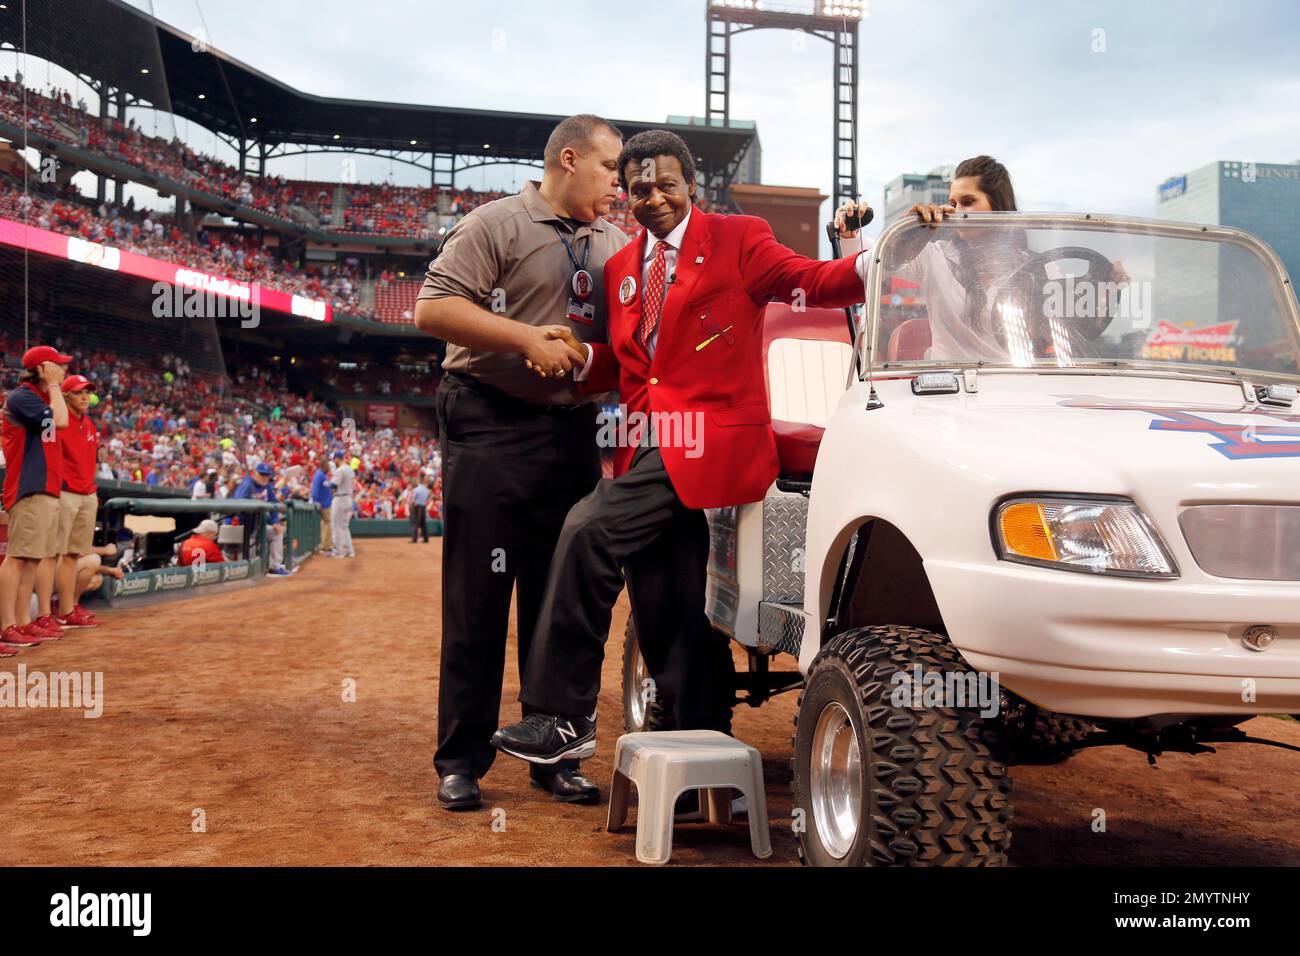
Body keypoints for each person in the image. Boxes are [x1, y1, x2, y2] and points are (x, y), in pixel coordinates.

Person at [491, 129, 870, 766]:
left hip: (713, 441)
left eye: (667, 184)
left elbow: (812, 279)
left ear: (691, 186)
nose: (653, 198)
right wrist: (584, 357)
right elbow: (639, 366)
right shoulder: (619, 269)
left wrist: (882, 257)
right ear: (627, 196)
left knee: (586, 531)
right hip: (647, 443)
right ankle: (708, 744)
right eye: (639, 188)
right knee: (670, 605)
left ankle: (561, 716)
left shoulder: (739, 238)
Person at [413, 114, 628, 811]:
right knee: (478, 596)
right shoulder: (495, 224)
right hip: (490, 421)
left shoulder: (617, 242)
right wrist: (522, 339)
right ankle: (462, 760)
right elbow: (433, 309)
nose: (618, 187)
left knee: (556, 600)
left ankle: (554, 752)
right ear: (569, 160)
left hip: (574, 432)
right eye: (608, 170)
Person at [0, 346, 71, 650]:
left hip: (45, 487)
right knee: (17, 558)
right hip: (28, 486)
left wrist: (53, 389)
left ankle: (22, 621)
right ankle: (7, 625)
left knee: (30, 559)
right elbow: (62, 421)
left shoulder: (39, 399)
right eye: (58, 365)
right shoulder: (23, 396)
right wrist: (54, 385)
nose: (64, 370)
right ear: (42, 368)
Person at [54, 374, 102, 628]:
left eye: (87, 392)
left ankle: (68, 608)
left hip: (86, 493)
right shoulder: (59, 422)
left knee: (74, 553)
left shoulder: (90, 424)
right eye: (78, 392)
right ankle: (54, 609)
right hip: (66, 492)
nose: (85, 397)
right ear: (65, 396)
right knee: (58, 553)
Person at [233, 462, 287, 574]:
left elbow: (274, 504)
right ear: (255, 473)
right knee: (246, 565)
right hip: (241, 526)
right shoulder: (247, 484)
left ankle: (275, 566)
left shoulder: (266, 486)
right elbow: (236, 505)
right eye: (262, 474)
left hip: (255, 527)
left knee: (276, 532)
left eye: (267, 475)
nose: (264, 477)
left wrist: (275, 522)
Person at [328, 451, 355, 558]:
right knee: (344, 526)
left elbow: (333, 486)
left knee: (336, 526)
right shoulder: (350, 469)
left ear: (337, 458)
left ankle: (338, 551)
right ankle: (349, 550)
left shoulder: (340, 470)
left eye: (335, 459)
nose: (334, 461)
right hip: (348, 498)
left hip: (340, 498)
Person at [310, 458, 334, 554]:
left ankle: (325, 544)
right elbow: (315, 489)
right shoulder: (319, 475)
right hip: (323, 503)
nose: (329, 468)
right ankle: (326, 546)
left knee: (325, 523)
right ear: (324, 466)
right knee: (328, 522)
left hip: (326, 502)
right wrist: (316, 501)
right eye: (328, 465)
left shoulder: (323, 475)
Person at [409, 478, 430, 543]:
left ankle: (414, 539)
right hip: (423, 507)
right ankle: (426, 539)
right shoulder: (427, 490)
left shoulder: (416, 489)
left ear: (419, 482)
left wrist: (412, 504)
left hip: (416, 507)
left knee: (415, 523)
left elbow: (413, 500)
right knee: (423, 523)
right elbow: (427, 499)